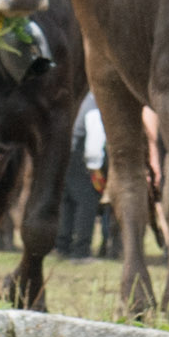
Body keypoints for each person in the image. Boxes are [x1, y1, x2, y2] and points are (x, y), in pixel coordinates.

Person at [56, 91, 105, 260]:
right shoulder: (94, 105)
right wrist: (94, 166)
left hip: (66, 155)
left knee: (67, 201)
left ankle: (62, 246)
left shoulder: (81, 101)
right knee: (86, 202)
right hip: (81, 158)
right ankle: (81, 251)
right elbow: (95, 138)